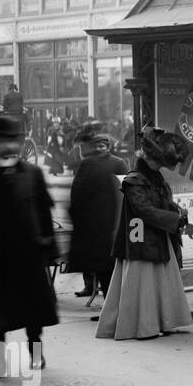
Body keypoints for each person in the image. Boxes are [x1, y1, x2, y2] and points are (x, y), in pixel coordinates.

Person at [97, 127, 193, 341]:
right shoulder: (135, 179)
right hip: (139, 238)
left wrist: (175, 209)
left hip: (154, 235)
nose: (162, 167)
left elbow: (159, 202)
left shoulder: (153, 176)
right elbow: (143, 211)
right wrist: (173, 219)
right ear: (149, 158)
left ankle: (160, 322)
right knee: (142, 281)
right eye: (159, 163)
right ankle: (143, 326)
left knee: (158, 280)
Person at [0, 115, 57, 380]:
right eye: (2, 140)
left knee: (33, 312)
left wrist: (50, 250)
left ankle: (36, 353)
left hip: (28, 255)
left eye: (13, 140)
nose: (8, 146)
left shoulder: (32, 174)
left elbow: (45, 214)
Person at [66, 129, 127, 305]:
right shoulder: (87, 164)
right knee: (100, 265)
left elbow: (126, 190)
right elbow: (76, 192)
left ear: (108, 147)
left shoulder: (119, 163)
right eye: (97, 146)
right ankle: (99, 295)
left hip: (112, 222)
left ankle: (112, 307)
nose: (100, 148)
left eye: (103, 145)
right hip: (95, 225)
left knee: (108, 267)